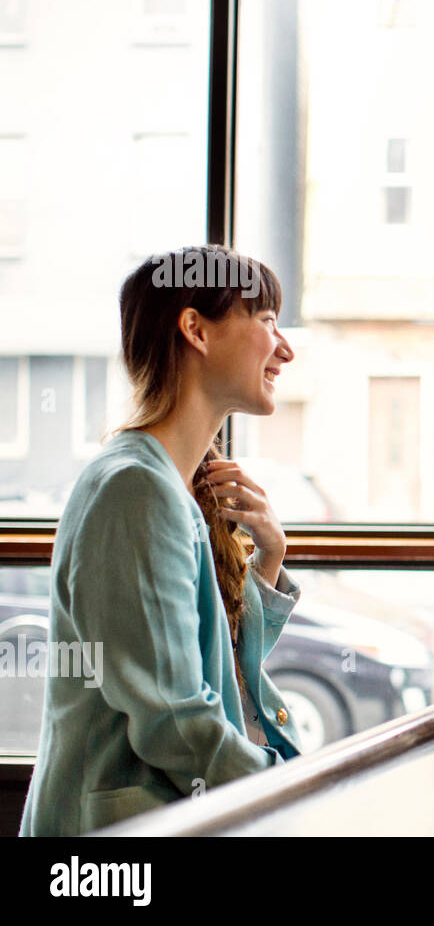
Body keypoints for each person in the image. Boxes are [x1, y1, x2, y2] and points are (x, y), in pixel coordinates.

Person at [20, 246, 301, 836]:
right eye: (267, 320)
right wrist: (292, 793)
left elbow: (212, 669)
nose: (285, 348)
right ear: (195, 329)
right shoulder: (133, 491)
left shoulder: (161, 483)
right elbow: (174, 721)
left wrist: (267, 561)